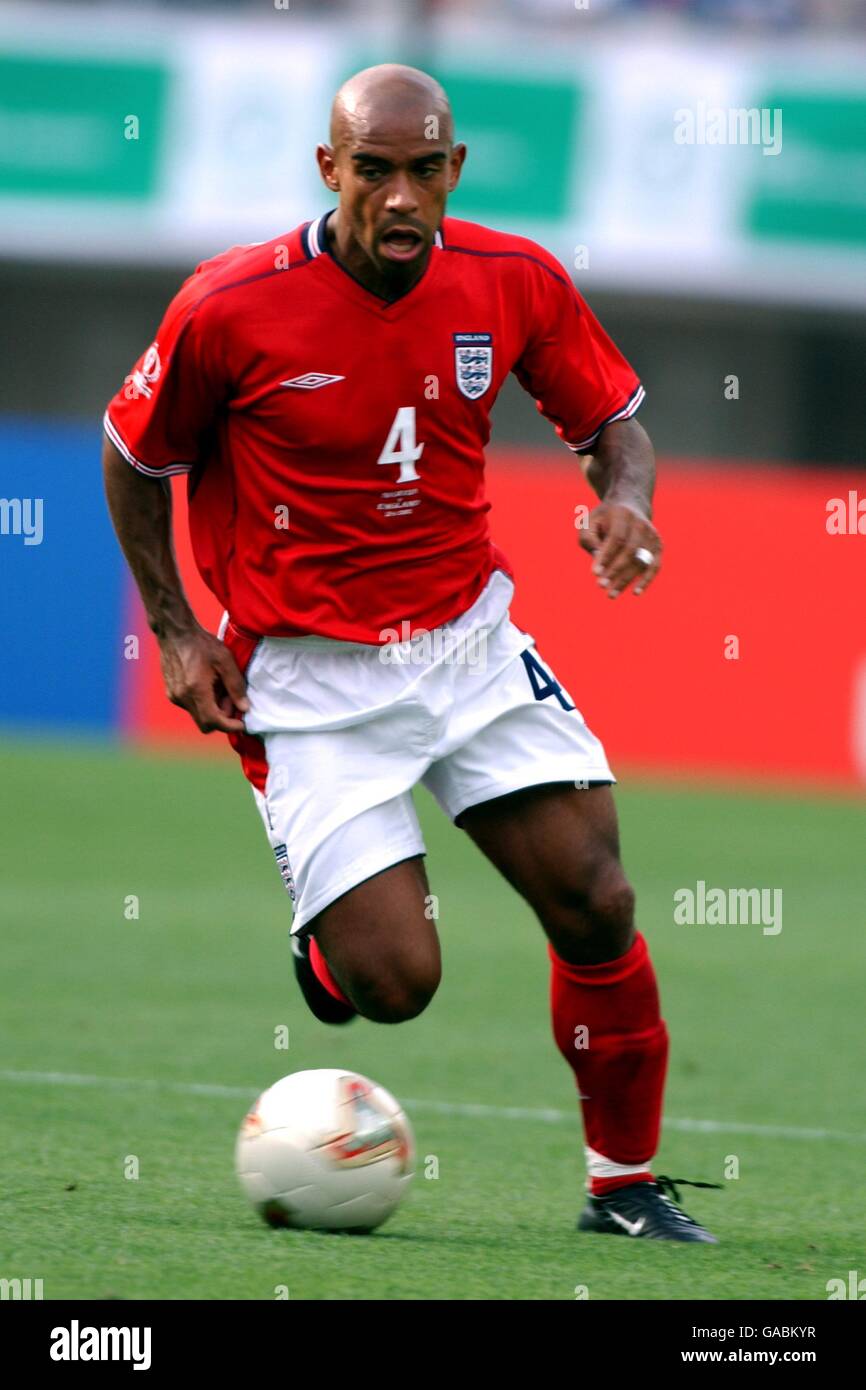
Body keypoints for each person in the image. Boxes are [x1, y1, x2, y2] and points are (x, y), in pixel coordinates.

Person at [103, 63, 717, 1242]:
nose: (398, 197)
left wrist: (627, 500)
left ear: (453, 173)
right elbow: (132, 454)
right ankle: (332, 959)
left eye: (421, 171)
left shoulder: (512, 280)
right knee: (395, 988)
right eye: (372, 169)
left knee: (597, 898)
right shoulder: (229, 305)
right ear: (327, 169)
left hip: (464, 644)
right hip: (304, 677)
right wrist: (177, 631)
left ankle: (623, 1187)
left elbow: (610, 424)